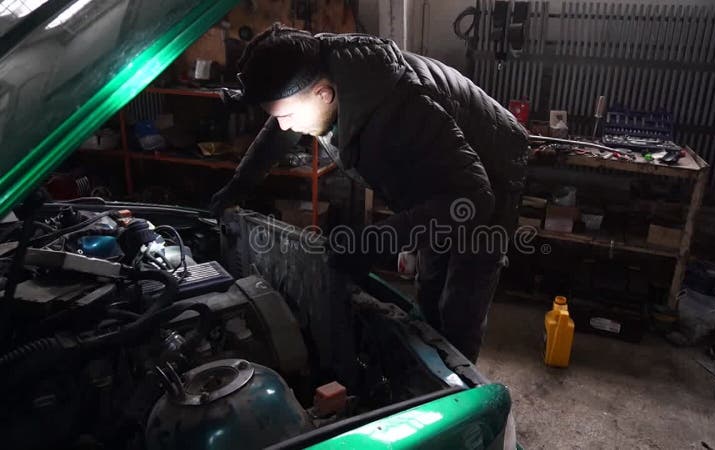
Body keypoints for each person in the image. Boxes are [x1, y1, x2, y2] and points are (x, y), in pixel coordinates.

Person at [211, 25, 528, 362]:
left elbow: (474, 200)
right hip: (440, 172)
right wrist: (239, 184)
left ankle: (457, 391)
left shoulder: (402, 109)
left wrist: (373, 242)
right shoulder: (314, 70)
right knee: (432, 283)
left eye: (288, 115)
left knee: (460, 300)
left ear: (323, 95)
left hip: (491, 175)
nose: (286, 125)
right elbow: (279, 129)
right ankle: (430, 363)